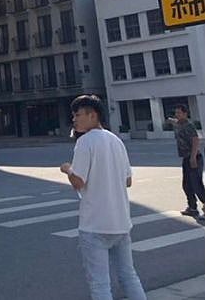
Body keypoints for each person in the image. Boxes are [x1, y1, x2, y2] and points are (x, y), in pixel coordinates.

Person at [60, 95, 146, 300]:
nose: (74, 119)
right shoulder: (116, 140)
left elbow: (79, 182)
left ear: (92, 115)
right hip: (121, 223)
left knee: (99, 284)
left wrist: (68, 170)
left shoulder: (85, 142)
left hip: (95, 225)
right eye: (73, 115)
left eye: (78, 115)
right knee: (128, 276)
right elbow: (128, 181)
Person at [172, 104, 205, 218]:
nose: (177, 115)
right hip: (186, 158)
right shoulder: (179, 124)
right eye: (176, 113)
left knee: (197, 185)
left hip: (194, 158)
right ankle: (192, 208)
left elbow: (196, 140)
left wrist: (192, 157)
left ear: (185, 113)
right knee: (187, 185)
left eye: (179, 113)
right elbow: (174, 122)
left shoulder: (189, 125)